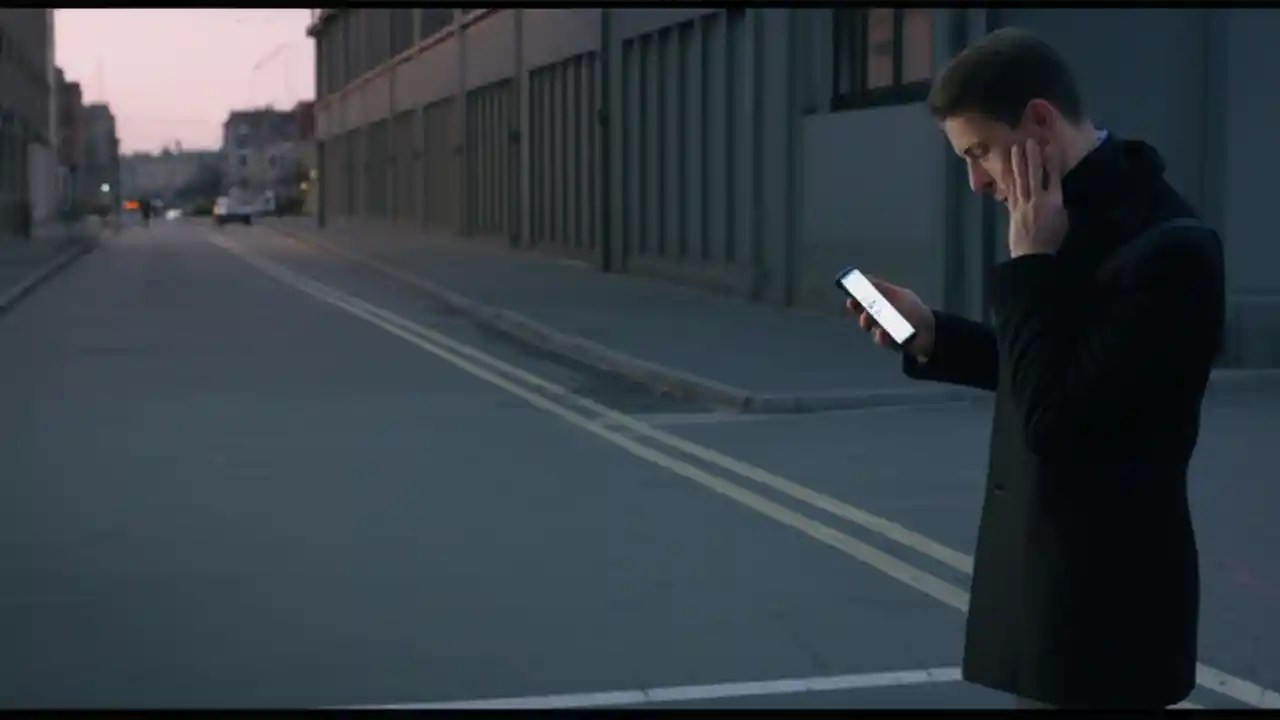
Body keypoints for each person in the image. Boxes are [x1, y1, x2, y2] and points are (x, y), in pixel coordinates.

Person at [845, 28, 1224, 709]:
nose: (975, 179)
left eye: (981, 151)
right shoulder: (1055, 215)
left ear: (1041, 121)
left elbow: (1057, 418)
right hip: (1045, 597)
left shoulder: (1172, 250)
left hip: (1111, 615)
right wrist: (933, 334)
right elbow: (1046, 366)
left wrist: (1030, 268)